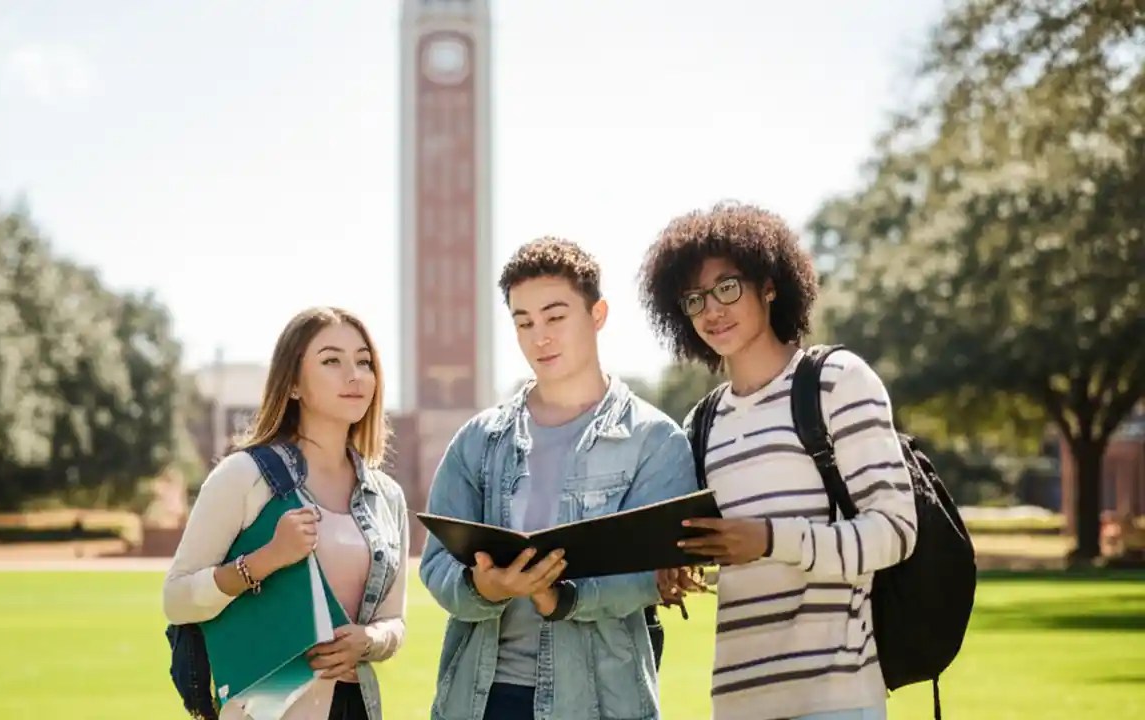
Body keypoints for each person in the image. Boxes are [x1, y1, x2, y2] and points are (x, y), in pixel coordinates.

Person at [637, 203, 918, 720]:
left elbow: (895, 532)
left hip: (837, 700)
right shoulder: (701, 425)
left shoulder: (836, 382)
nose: (712, 310)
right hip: (737, 701)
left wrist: (768, 539)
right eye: (694, 299)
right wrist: (673, 564)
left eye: (727, 287)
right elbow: (711, 549)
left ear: (768, 285)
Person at [419, 238, 697, 720]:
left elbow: (653, 575)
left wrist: (562, 597)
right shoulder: (478, 440)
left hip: (598, 704)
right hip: (482, 701)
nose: (539, 336)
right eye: (523, 322)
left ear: (598, 314)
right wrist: (484, 587)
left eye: (555, 317)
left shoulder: (655, 441)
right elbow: (437, 562)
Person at [164, 307, 408, 720]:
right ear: (293, 383)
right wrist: (268, 559)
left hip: (355, 707)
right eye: (332, 360)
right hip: (267, 709)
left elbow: (394, 622)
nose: (355, 375)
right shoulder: (244, 477)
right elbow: (176, 600)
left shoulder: (387, 497)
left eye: (364, 362)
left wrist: (368, 640)